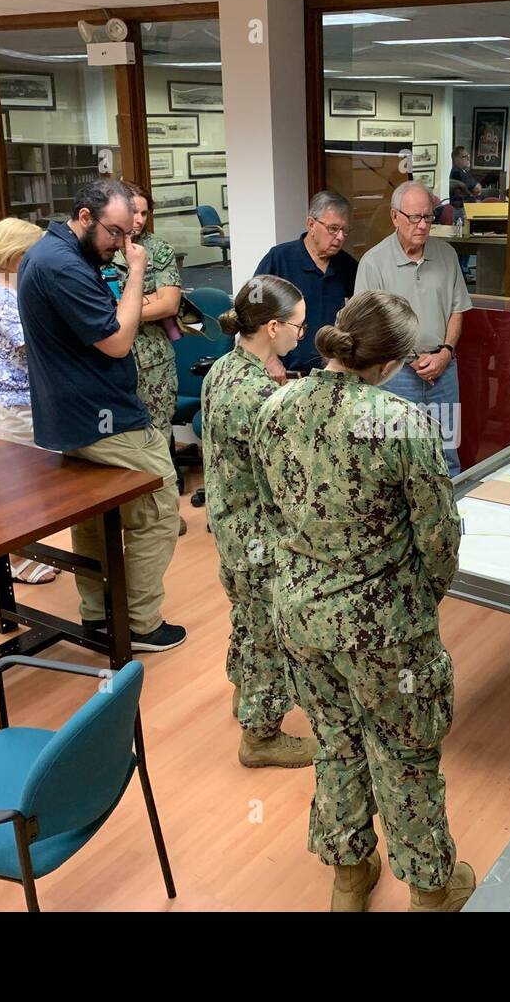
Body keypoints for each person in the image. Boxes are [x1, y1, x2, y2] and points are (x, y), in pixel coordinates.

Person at [252, 291, 473, 913]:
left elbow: (272, 511)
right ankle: (431, 889)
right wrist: (418, 598)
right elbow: (438, 538)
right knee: (405, 751)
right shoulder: (401, 422)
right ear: (394, 361)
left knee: (337, 742)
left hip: (300, 617)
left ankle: (350, 878)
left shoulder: (278, 405)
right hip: (386, 631)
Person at [17, 179, 184, 652]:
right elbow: (117, 340)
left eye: (129, 235)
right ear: (85, 218)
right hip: (102, 417)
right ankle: (140, 623)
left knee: (96, 515)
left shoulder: (51, 252)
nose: (121, 245)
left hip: (74, 415)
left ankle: (97, 613)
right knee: (157, 508)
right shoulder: (64, 266)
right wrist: (136, 272)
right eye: (115, 233)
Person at [201, 275, 318, 769]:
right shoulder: (260, 398)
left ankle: (244, 696)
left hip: (229, 526)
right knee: (269, 631)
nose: (303, 334)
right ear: (272, 327)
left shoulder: (223, 371)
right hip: (258, 536)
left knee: (247, 617)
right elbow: (293, 479)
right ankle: (261, 734)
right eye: (299, 325)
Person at [353, 181, 470, 476]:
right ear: (395, 217)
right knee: (395, 457)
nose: (422, 225)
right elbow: (366, 328)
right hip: (395, 375)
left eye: (428, 217)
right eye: (414, 217)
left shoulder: (447, 256)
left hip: (443, 371)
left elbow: (457, 310)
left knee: (447, 455)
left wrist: (445, 353)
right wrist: (404, 356)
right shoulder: (373, 263)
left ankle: (450, 518)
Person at [0, 217, 55, 585]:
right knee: (15, 489)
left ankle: (26, 553)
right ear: (18, 255)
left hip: (18, 400)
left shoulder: (10, 285)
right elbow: (31, 345)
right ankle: (18, 562)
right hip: (7, 403)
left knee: (28, 485)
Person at [106, 181, 187, 536]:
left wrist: (121, 308)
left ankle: (165, 515)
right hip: (111, 362)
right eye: (132, 211)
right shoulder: (101, 251)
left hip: (154, 364)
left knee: (158, 439)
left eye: (143, 212)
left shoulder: (159, 250)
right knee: (117, 442)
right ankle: (126, 516)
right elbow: (94, 308)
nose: (138, 219)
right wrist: (144, 302)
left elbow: (170, 303)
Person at [253, 190, 359, 383]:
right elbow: (252, 312)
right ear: (311, 224)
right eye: (333, 229)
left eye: (344, 230)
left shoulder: (347, 266)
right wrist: (269, 357)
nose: (340, 237)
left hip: (332, 378)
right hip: (285, 377)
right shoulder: (279, 259)